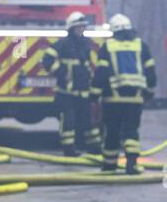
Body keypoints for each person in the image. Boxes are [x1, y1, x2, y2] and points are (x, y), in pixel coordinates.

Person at [93, 13, 157, 175]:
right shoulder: (141, 46)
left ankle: (109, 165)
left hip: (112, 99)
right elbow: (151, 73)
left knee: (112, 132)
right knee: (131, 131)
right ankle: (132, 164)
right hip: (135, 99)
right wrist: (149, 92)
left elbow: (101, 73)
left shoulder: (108, 47)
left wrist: (94, 95)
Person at [42, 11, 100, 156]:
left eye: (82, 27)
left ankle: (94, 148)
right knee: (68, 122)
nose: (81, 30)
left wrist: (92, 84)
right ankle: (69, 150)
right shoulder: (63, 44)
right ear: (71, 29)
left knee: (88, 121)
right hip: (66, 93)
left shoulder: (85, 45)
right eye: (78, 28)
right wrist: (61, 73)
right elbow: (47, 60)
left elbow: (86, 67)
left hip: (83, 91)